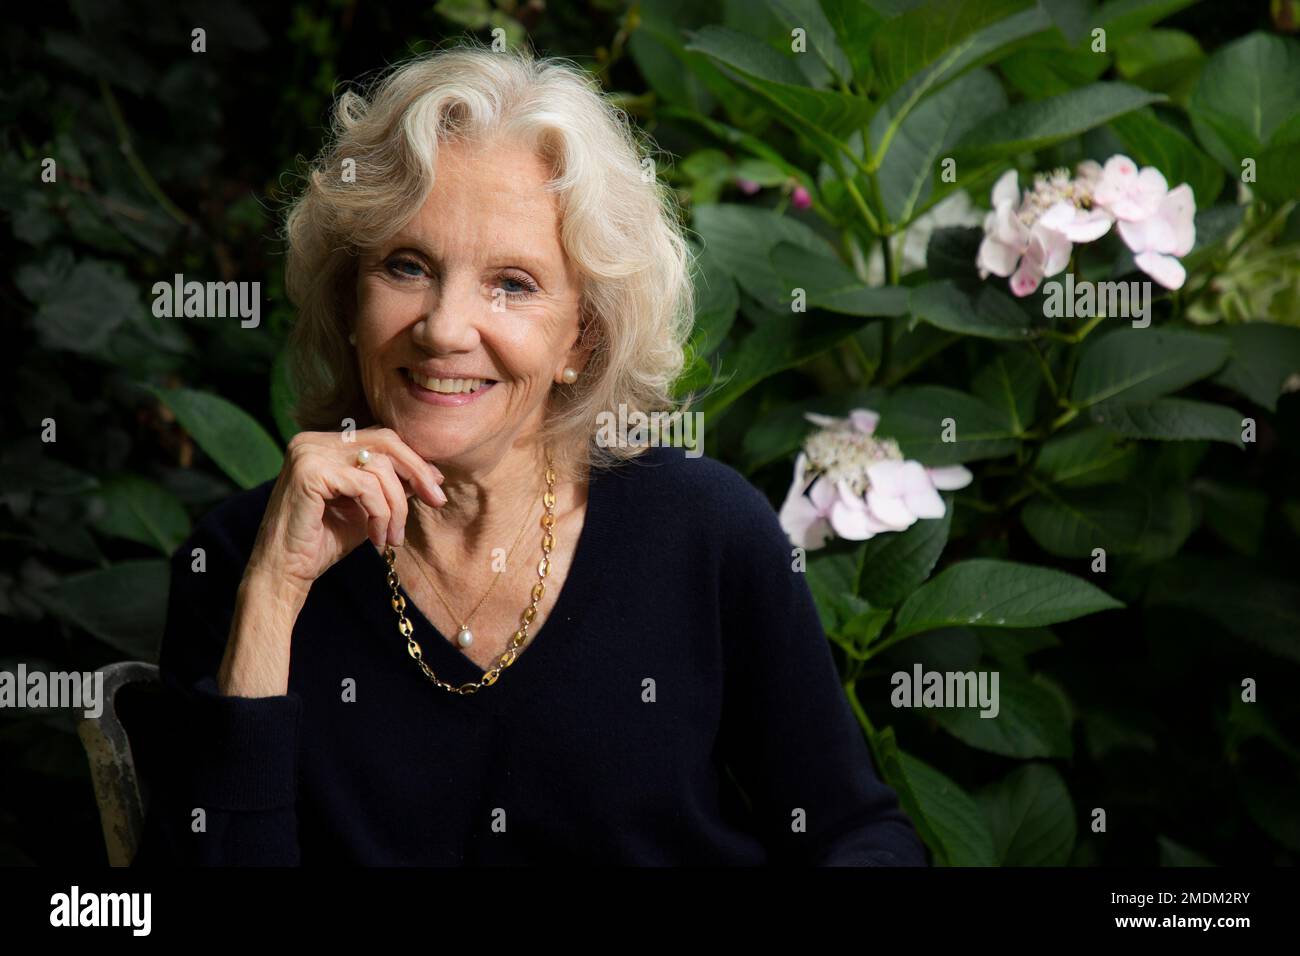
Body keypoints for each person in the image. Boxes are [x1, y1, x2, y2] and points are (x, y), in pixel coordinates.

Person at [133, 40, 926, 866]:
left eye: (512, 284)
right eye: (407, 266)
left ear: (580, 338)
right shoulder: (241, 560)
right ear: (349, 296)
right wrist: (273, 595)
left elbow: (854, 831)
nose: (443, 328)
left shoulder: (706, 532)